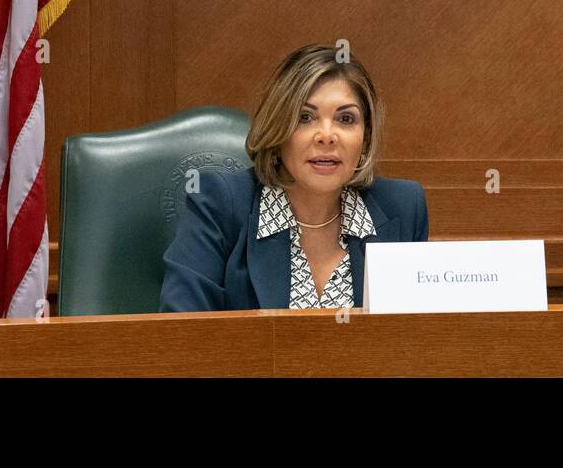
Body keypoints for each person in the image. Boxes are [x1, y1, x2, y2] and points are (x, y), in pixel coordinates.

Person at [160, 44, 428, 311]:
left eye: (345, 119)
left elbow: (415, 336)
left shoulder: (404, 207)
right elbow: (181, 334)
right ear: (279, 130)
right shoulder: (219, 204)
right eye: (305, 117)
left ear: (365, 137)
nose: (326, 135)